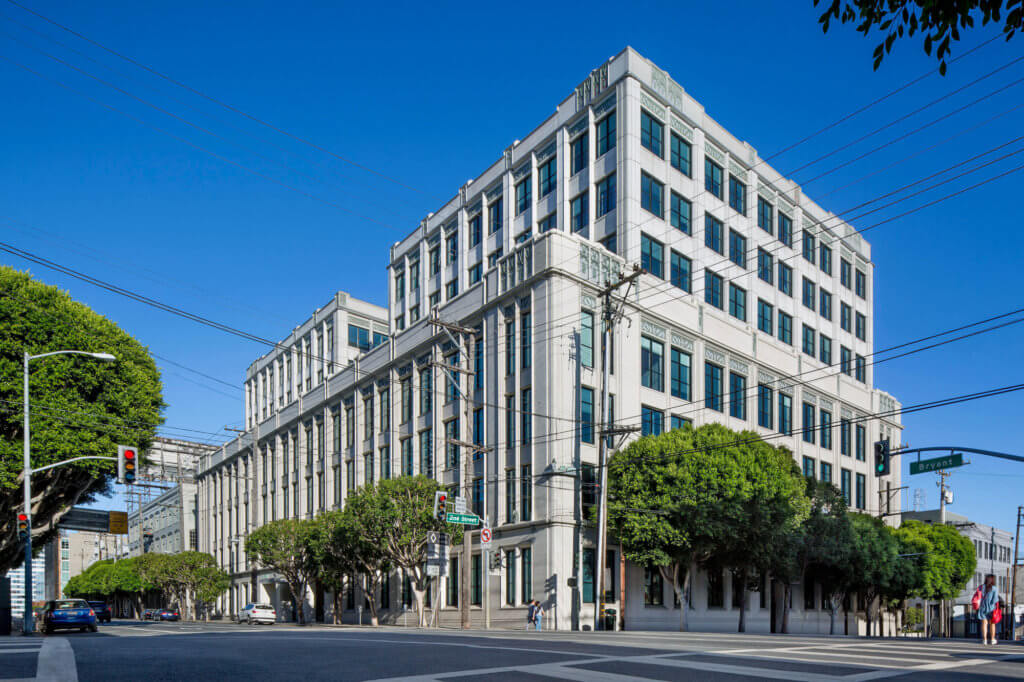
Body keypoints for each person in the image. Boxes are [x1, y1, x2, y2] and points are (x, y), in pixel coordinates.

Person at [978, 573, 1000, 645]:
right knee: (992, 624)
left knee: (984, 623)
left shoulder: (981, 587)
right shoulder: (994, 588)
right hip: (991, 608)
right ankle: (992, 639)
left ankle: (984, 640)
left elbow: (978, 596)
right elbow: (995, 600)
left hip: (982, 607)